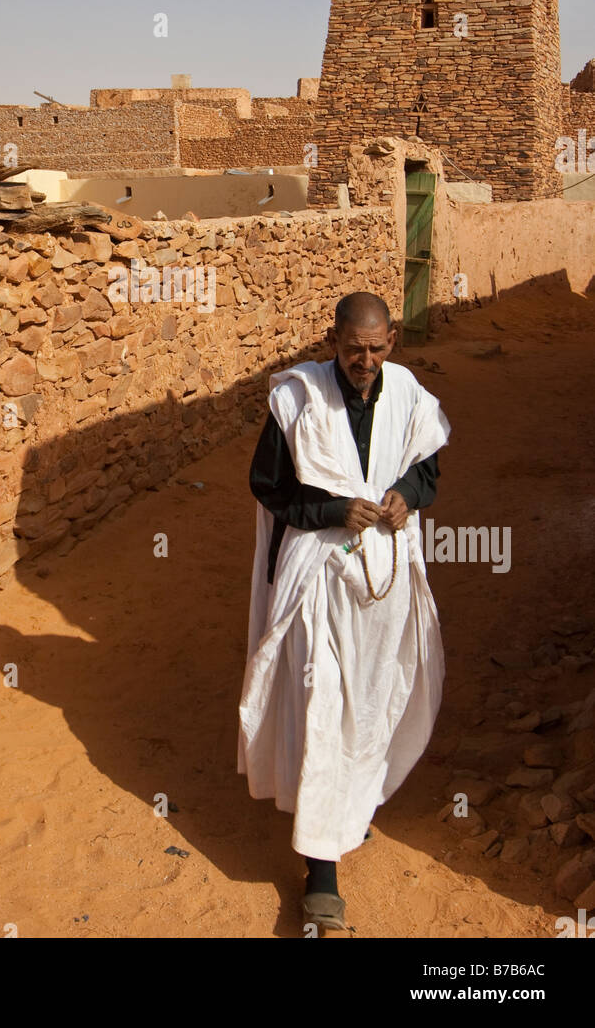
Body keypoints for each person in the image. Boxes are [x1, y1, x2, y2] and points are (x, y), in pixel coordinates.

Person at [236, 291, 450, 933]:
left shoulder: (409, 394)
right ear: (334, 342)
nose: (365, 361)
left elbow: (428, 468)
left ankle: (349, 807)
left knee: (368, 702)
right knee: (320, 703)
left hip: (383, 585)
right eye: (354, 349)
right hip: (317, 584)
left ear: (392, 344)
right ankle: (321, 872)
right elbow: (269, 487)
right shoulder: (296, 400)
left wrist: (404, 496)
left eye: (376, 349)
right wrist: (333, 511)